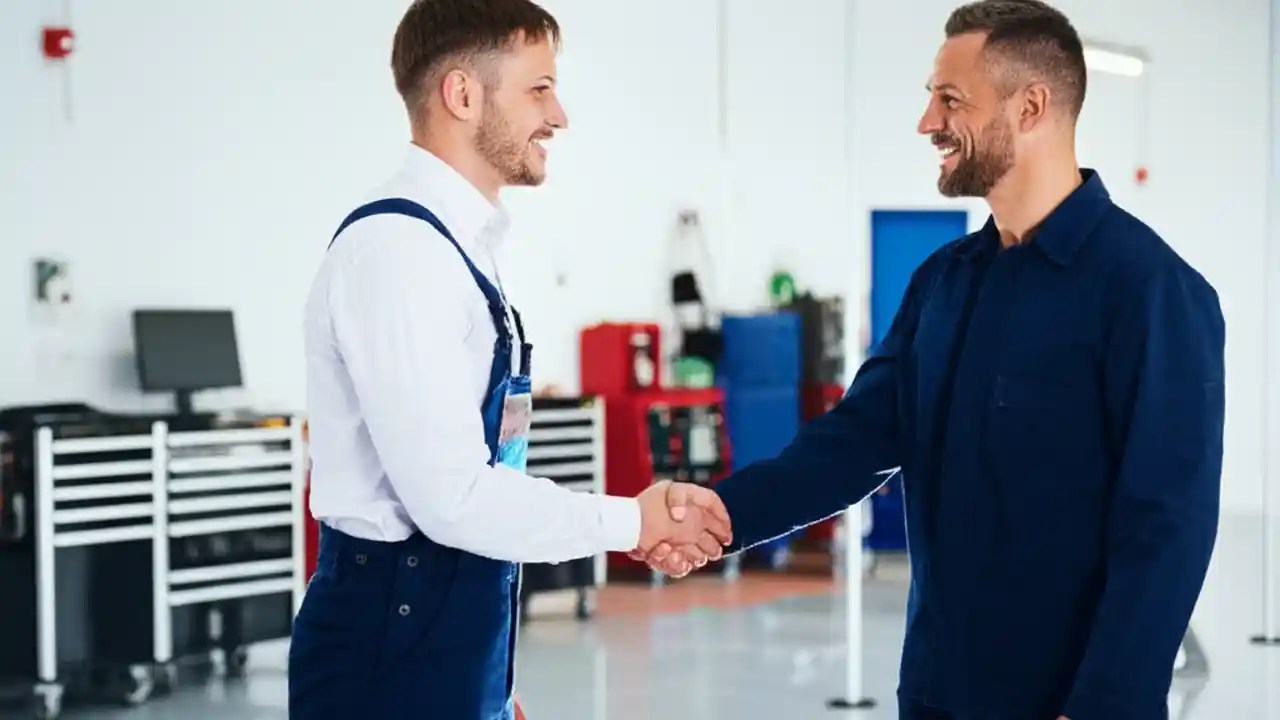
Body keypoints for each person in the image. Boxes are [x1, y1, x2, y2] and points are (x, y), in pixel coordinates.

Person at [640, 1, 1226, 718]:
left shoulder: (1150, 292)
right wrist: (724, 513)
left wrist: (1103, 706)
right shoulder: (944, 283)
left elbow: (1168, 527)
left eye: (951, 100)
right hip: (936, 692)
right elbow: (854, 444)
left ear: (1031, 107)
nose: (927, 123)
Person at [288, 1, 731, 718]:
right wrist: (635, 522)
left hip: (441, 629)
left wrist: (487, 674)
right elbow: (453, 499)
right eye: (539, 89)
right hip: (388, 645)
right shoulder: (399, 253)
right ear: (462, 94)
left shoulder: (460, 247)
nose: (559, 116)